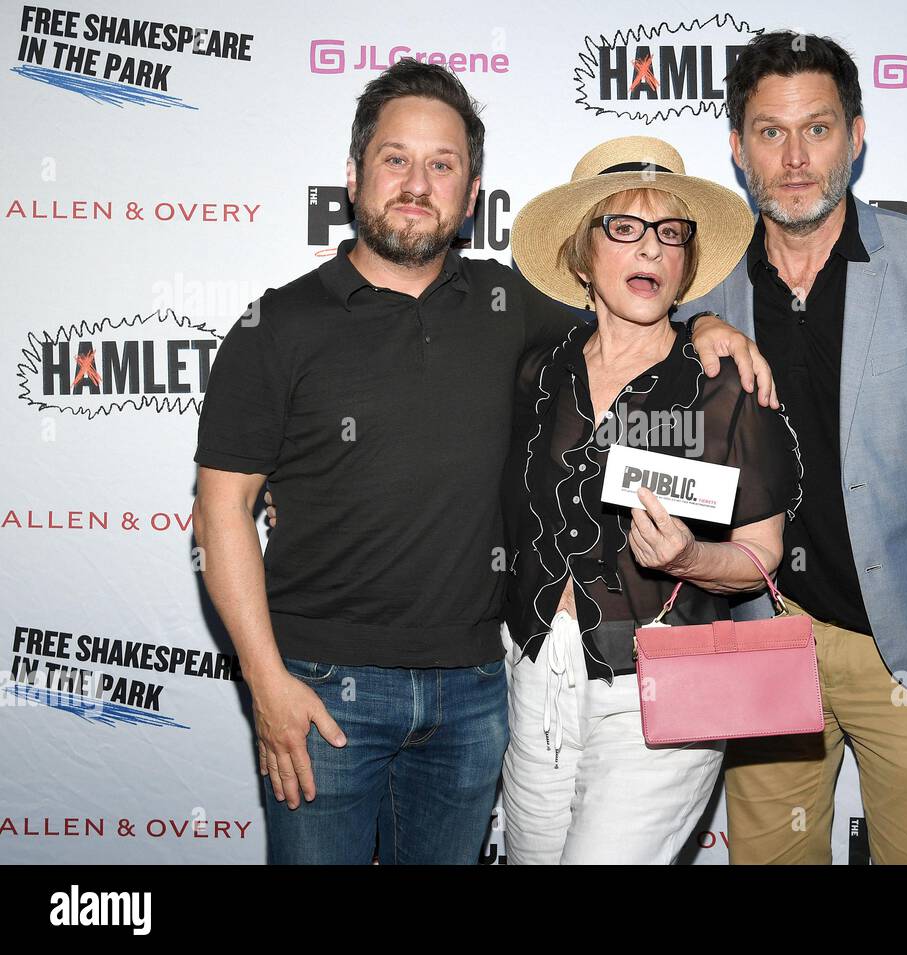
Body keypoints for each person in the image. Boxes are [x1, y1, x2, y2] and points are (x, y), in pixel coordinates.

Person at [192, 60, 773, 865]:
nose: (417, 183)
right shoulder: (276, 327)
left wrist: (711, 325)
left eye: (443, 165)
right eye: (396, 158)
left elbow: (631, 305)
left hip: (477, 690)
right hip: (321, 688)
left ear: (472, 193)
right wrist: (265, 678)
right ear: (354, 174)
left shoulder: (508, 306)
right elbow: (220, 509)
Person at [681, 32, 907, 864]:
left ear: (857, 133)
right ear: (738, 148)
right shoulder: (706, 284)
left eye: (818, 128)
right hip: (765, 635)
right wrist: (693, 319)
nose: (796, 156)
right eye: (771, 132)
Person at [498, 136, 802, 864]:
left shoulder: (725, 383)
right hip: (536, 673)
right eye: (624, 228)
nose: (652, 250)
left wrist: (692, 555)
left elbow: (763, 556)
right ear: (581, 255)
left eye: (671, 234)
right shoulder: (539, 369)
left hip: (666, 685)